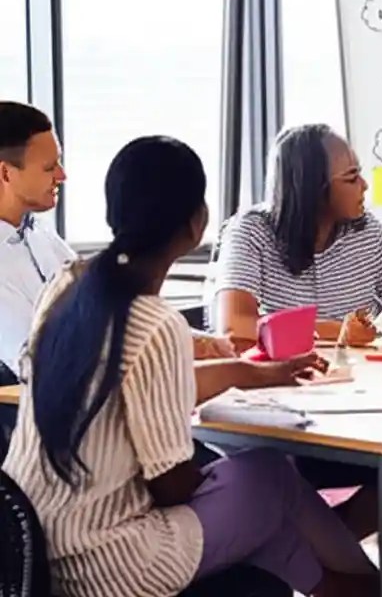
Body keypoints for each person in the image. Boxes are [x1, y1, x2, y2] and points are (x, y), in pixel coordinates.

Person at [2, 136, 381, 597]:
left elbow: (139, 387)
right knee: (268, 479)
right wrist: (221, 486)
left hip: (31, 545)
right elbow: (171, 485)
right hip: (108, 563)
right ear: (195, 223)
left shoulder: (66, 286)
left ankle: (355, 588)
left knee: (264, 505)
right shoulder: (155, 322)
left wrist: (252, 373)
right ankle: (369, 587)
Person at [212, 123, 382, 537]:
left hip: (352, 408)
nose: (365, 185)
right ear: (313, 189)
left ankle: (321, 556)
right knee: (283, 481)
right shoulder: (251, 231)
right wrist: (336, 331)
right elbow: (235, 328)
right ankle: (323, 557)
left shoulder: (365, 231)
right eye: (351, 177)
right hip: (272, 417)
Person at [0, 103, 232, 454]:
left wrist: (197, 340)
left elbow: (105, 304)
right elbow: (40, 356)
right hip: (61, 436)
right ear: (5, 173)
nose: (62, 175)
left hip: (104, 409)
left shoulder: (40, 234)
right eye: (49, 167)